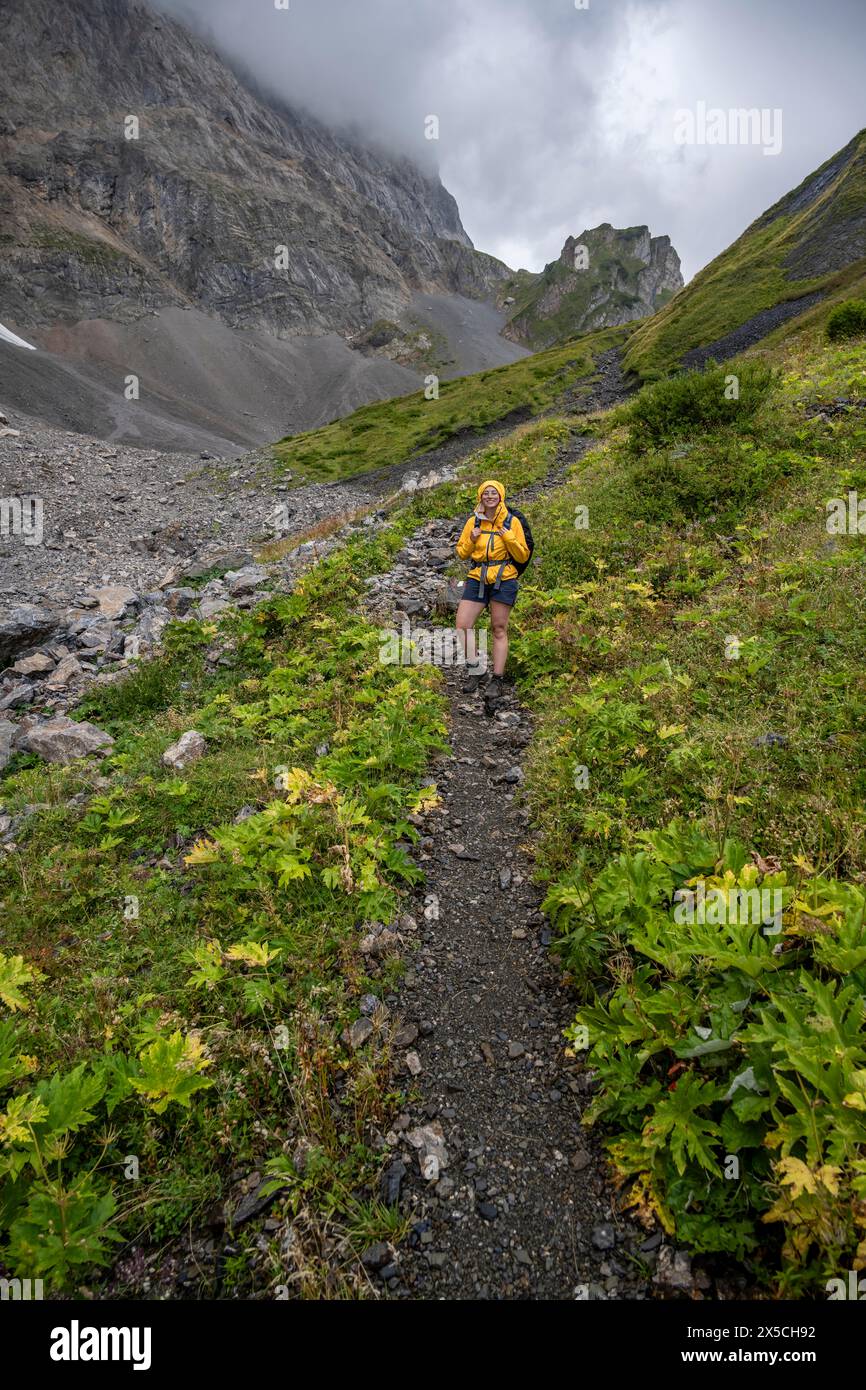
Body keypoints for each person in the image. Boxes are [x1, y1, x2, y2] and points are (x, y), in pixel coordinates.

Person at [454, 478, 530, 710]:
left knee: (498, 628)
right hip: (477, 577)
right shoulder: (473, 522)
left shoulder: (512, 521)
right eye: (485, 493)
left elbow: (523, 555)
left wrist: (507, 537)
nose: (489, 496)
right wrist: (473, 539)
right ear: (480, 496)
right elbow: (462, 552)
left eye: (493, 493)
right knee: (463, 624)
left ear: (501, 496)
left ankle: (497, 680)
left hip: (504, 579)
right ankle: (477, 669)